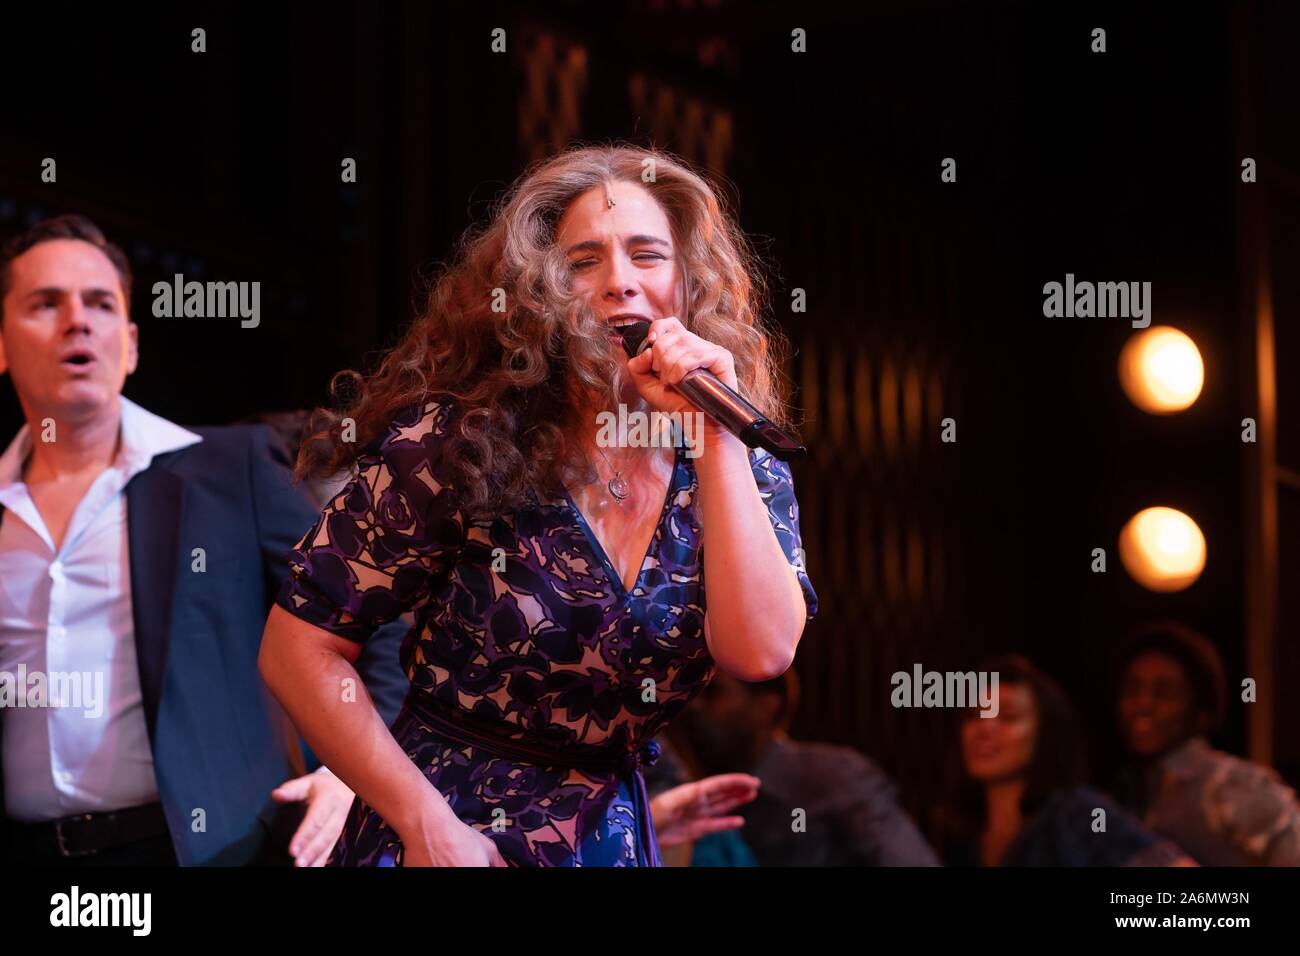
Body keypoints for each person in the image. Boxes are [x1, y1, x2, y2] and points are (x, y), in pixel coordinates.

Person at [258, 143, 819, 866]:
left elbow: (761, 651)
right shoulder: (463, 439)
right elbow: (299, 646)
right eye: (584, 262)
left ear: (690, 282)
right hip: (439, 831)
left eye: (647, 255)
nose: (619, 283)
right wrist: (422, 822)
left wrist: (712, 434)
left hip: (603, 839)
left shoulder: (738, 457)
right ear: (540, 290)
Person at [0, 215, 403, 866]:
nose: (77, 321)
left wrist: (358, 774)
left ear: (129, 346)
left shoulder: (226, 470)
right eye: (46, 303)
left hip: (205, 850)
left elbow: (374, 618)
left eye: (100, 304)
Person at [938, 654, 1191, 867]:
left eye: (1007, 717)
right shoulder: (962, 837)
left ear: (1044, 733)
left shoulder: (1082, 814)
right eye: (974, 715)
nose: (985, 729)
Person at [675, 667, 938, 866]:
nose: (695, 707)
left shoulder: (829, 776)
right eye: (692, 694)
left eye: (713, 693)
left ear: (767, 705)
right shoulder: (691, 790)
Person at [1112, 621, 1300, 866]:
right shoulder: (1127, 796)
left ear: (1200, 708)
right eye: (1131, 690)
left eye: (1164, 693)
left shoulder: (1230, 783)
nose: (1143, 705)